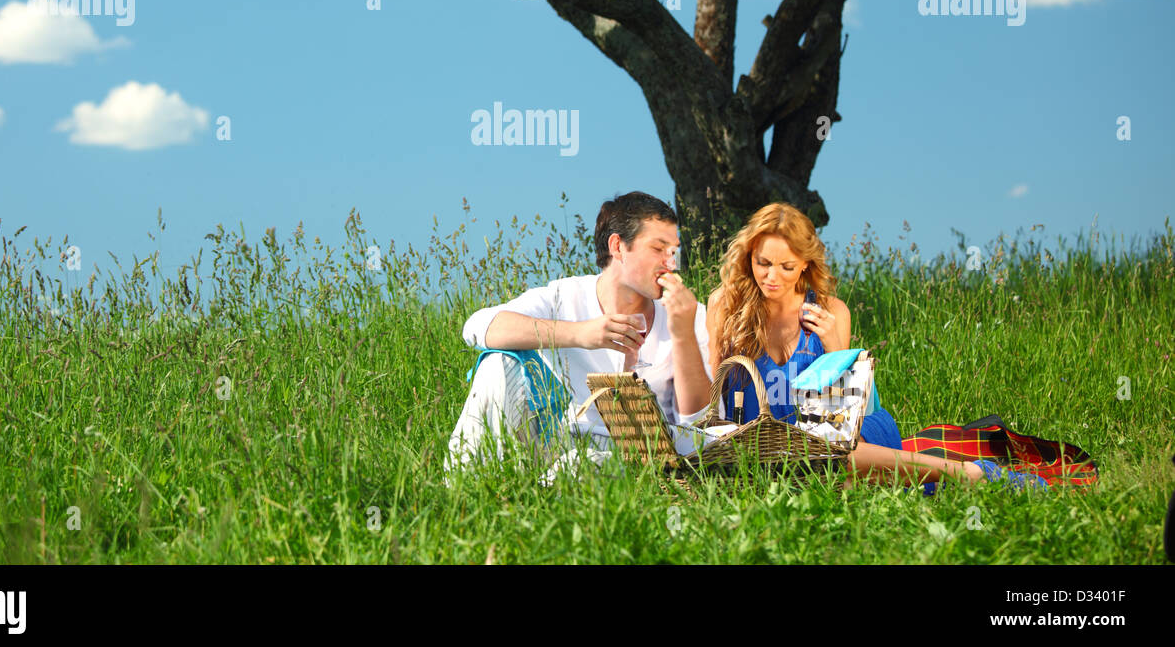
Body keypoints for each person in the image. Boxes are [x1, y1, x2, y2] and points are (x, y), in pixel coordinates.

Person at [707, 202, 1046, 490]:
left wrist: (835, 347)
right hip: (765, 444)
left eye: (787, 267)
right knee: (832, 473)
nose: (772, 277)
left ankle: (968, 474)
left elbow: (844, 408)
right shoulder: (726, 305)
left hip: (845, 431)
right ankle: (939, 474)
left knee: (836, 456)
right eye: (762, 263)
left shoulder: (831, 311)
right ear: (749, 256)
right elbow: (711, 396)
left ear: (806, 264)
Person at [445, 191, 713, 473]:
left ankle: (532, 501)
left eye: (673, 251)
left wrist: (683, 335)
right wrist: (581, 334)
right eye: (658, 250)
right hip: (557, 440)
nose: (671, 263)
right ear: (618, 247)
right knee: (500, 362)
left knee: (581, 468)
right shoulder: (566, 296)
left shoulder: (690, 314)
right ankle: (468, 489)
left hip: (635, 460)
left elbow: (701, 419)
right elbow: (478, 327)